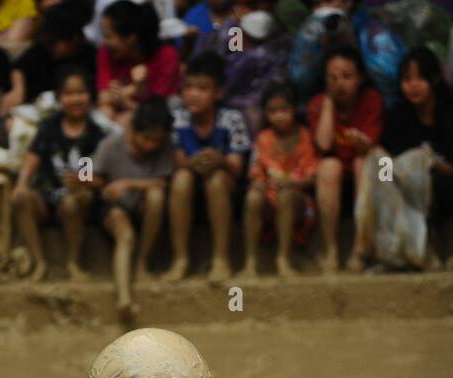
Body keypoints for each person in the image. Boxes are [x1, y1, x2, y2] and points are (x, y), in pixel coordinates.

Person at [13, 64, 107, 281]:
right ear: (59, 97)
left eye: (80, 92)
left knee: (73, 201)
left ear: (90, 96)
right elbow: (33, 158)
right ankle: (40, 263)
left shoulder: (94, 134)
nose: (75, 99)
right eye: (69, 93)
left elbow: (98, 180)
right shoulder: (49, 127)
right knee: (22, 198)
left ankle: (73, 263)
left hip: (75, 203)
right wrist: (21, 183)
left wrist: (83, 180)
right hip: (47, 198)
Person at [166, 52, 251, 283]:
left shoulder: (232, 118)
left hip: (225, 190)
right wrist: (192, 163)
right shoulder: (177, 118)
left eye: (202, 89)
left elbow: (237, 168)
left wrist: (219, 159)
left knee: (216, 178)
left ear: (218, 93)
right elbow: (176, 161)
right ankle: (180, 259)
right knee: (182, 177)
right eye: (188, 87)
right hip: (188, 189)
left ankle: (221, 259)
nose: (193, 94)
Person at [91, 96, 175, 321]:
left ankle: (142, 264)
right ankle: (124, 299)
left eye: (157, 140)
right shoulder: (110, 145)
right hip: (114, 207)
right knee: (125, 236)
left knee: (156, 196)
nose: (152, 145)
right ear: (133, 130)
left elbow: (162, 182)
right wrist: (103, 186)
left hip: (142, 205)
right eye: (146, 138)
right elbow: (96, 181)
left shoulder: (164, 146)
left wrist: (127, 183)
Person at [379, 47, 453, 262]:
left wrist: (428, 161)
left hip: (446, 189)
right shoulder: (397, 114)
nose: (413, 86)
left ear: (434, 79)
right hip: (403, 186)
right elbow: (387, 160)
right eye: (407, 80)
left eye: (420, 78)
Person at [308, 45, 382, 273]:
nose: (339, 83)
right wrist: (329, 104)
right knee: (328, 166)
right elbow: (323, 145)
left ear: (360, 78)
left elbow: (370, 146)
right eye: (332, 77)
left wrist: (363, 144)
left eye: (347, 76)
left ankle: (360, 248)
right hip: (334, 177)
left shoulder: (372, 99)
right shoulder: (318, 104)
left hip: (372, 173)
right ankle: (329, 249)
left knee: (365, 161)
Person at [241, 81, 316, 277]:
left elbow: (311, 177)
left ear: (294, 110)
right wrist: (259, 184)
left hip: (296, 198)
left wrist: (290, 182)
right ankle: (250, 261)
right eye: (273, 111)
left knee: (285, 195)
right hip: (268, 196)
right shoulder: (263, 138)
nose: (279, 116)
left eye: (284, 109)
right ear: (266, 114)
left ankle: (284, 258)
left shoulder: (304, 136)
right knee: (253, 197)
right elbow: (255, 173)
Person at [96, 0, 180, 126]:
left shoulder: (167, 56)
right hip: (121, 110)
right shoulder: (106, 52)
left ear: (131, 38)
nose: (105, 42)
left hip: (157, 120)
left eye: (109, 36)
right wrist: (131, 91)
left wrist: (128, 95)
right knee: (104, 113)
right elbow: (103, 99)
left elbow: (158, 111)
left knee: (127, 119)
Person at [13, 3, 96, 102]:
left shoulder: (92, 57)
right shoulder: (43, 49)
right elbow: (18, 67)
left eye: (54, 43)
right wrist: (18, 90)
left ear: (74, 39)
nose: (49, 46)